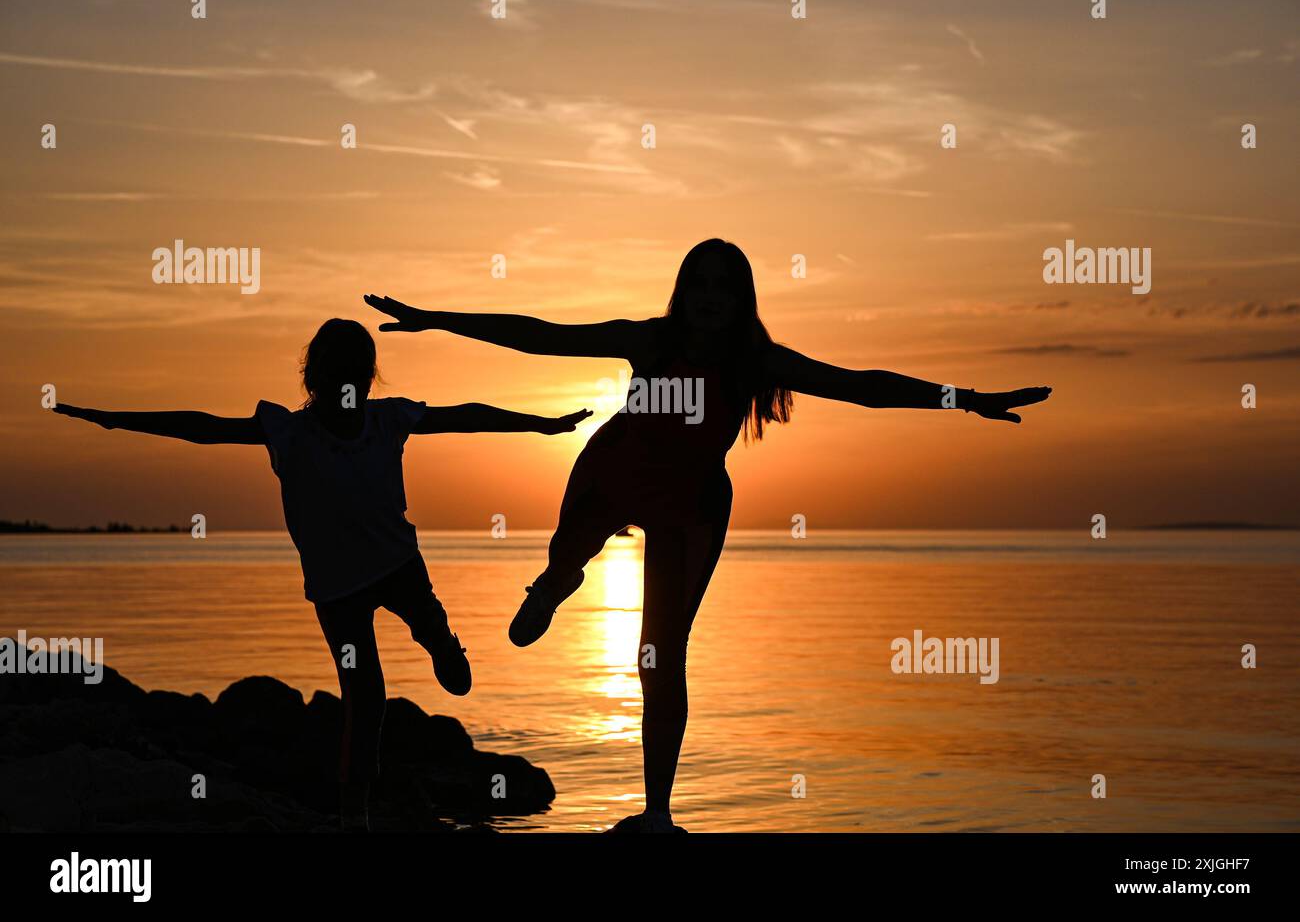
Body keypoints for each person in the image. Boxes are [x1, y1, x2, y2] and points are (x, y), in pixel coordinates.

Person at [365, 238, 1052, 833]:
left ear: (742, 298)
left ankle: (657, 812)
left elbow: (863, 387)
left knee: (660, 656)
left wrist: (966, 399)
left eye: (726, 286)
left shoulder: (758, 360)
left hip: (690, 507)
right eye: (700, 283)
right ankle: (555, 583)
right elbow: (539, 334)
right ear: (683, 291)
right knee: (566, 553)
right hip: (615, 473)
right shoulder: (647, 339)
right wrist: (434, 320)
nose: (711, 297)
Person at [52, 317, 591, 830]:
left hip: (400, 566)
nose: (346, 388)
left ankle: (443, 644)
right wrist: (115, 418)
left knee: (427, 626)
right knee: (367, 696)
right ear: (314, 379)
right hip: (339, 591)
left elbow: (465, 415)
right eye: (336, 375)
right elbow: (202, 429)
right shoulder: (289, 432)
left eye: (356, 376)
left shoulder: (387, 419)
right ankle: (353, 813)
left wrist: (540, 424)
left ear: (367, 380)